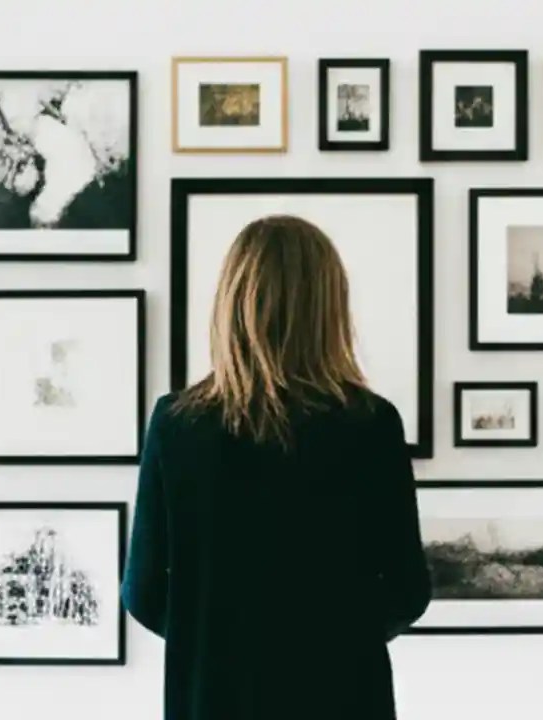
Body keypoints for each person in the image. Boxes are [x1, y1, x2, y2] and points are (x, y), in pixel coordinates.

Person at [122, 215, 432, 720]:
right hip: (343, 698)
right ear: (328, 307)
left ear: (231, 305)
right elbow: (407, 591)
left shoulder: (175, 426)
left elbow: (143, 593)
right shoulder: (372, 425)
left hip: (213, 699)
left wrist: (214, 640)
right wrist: (334, 641)